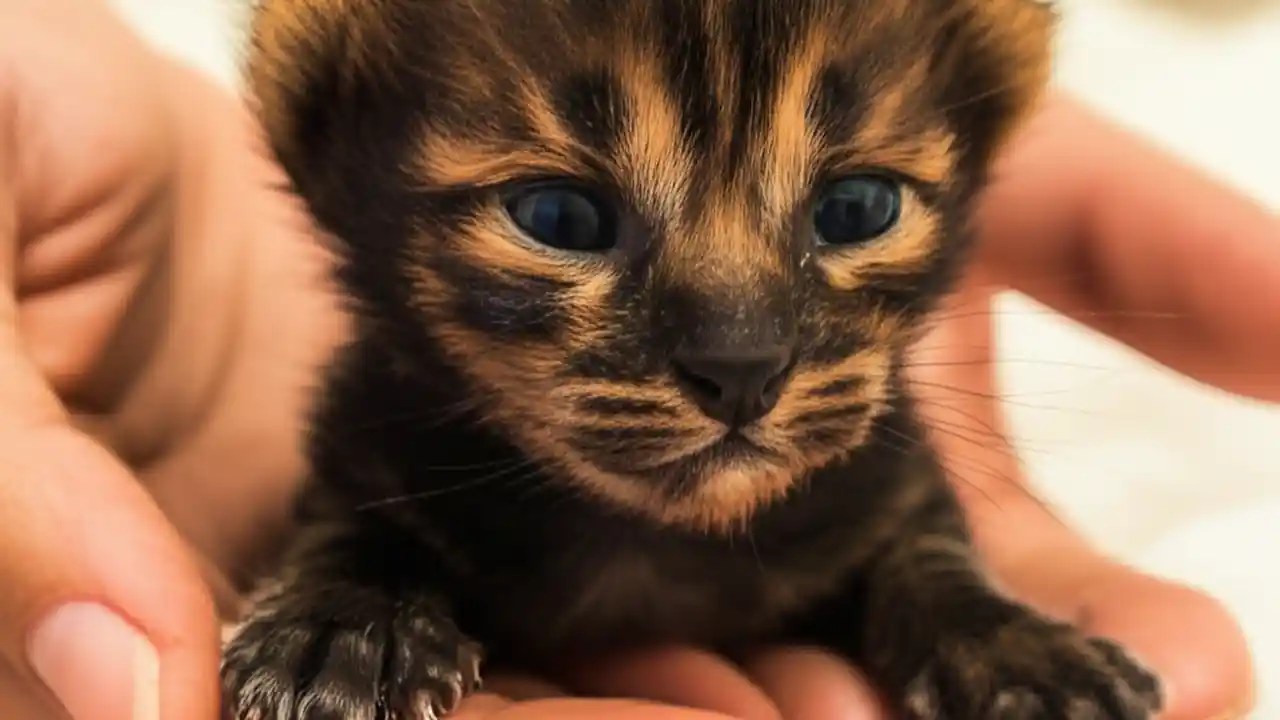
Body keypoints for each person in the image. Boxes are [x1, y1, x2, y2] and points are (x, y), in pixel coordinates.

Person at [0, 0, 1272, 718]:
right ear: (325, 137)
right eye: (560, 219)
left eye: (853, 211)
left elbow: (906, 534)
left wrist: (946, 608)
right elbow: (353, 521)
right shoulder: (387, 465)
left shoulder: (870, 487)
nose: (741, 356)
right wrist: (355, 597)